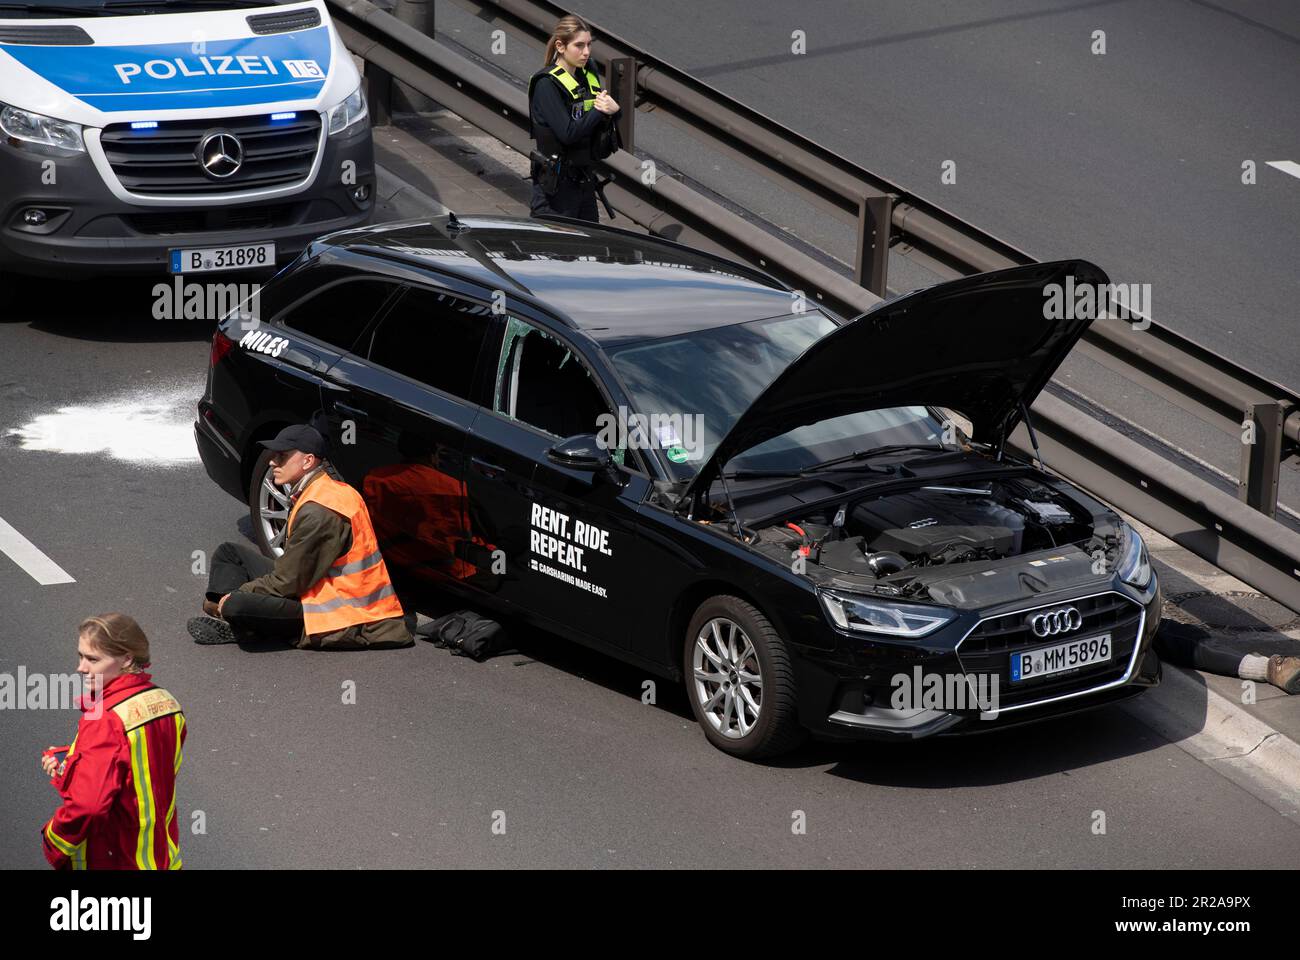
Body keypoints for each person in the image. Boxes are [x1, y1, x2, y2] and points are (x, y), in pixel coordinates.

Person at [187, 424, 413, 650]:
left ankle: (234, 619)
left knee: (237, 603)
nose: (272, 462)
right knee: (229, 553)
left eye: (282, 456)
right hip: (319, 587)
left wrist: (235, 596)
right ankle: (235, 618)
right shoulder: (327, 489)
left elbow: (288, 582)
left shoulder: (320, 511)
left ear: (308, 461)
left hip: (344, 617)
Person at [40, 613, 186, 870]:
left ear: (127, 658)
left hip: (116, 858)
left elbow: (89, 806)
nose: (81, 667)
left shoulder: (105, 720)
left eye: (93, 659)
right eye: (81, 656)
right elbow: (140, 763)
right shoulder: (167, 702)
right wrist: (75, 757)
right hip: (161, 857)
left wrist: (54, 837)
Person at [527, 14, 621, 221]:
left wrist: (615, 112)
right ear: (560, 46)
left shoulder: (587, 75)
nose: (586, 52)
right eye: (579, 46)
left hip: (584, 182)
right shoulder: (547, 85)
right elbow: (568, 133)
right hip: (556, 190)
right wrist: (600, 110)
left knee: (591, 248)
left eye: (588, 45)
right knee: (558, 252)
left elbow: (597, 126)